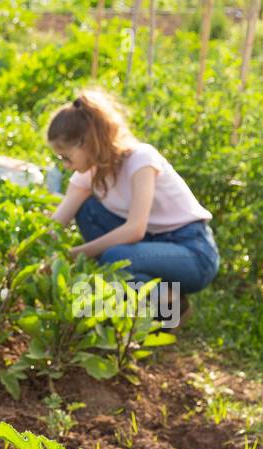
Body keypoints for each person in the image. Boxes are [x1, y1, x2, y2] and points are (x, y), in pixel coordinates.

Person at [48, 89, 219, 322]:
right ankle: (144, 301)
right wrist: (33, 255)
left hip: (191, 251)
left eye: (66, 157)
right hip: (150, 245)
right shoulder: (88, 172)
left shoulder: (140, 159)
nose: (65, 165)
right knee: (87, 210)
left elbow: (135, 229)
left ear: (88, 143)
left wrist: (75, 254)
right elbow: (55, 225)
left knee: (114, 257)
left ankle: (172, 305)